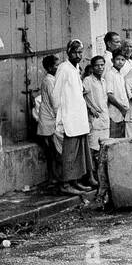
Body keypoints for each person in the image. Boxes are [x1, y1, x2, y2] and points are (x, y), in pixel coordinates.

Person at [53, 40, 94, 194]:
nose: (78, 55)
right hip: (69, 118)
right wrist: (60, 117)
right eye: (75, 52)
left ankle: (75, 181)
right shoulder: (63, 69)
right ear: (68, 52)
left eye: (80, 52)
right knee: (69, 153)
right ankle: (65, 185)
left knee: (79, 153)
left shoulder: (75, 68)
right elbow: (56, 95)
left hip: (79, 118)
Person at [83, 55, 111, 173]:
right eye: (97, 65)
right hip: (94, 120)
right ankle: (91, 176)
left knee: (103, 149)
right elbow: (80, 95)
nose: (100, 67)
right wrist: (90, 108)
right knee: (93, 149)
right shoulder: (88, 80)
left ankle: (101, 176)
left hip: (105, 119)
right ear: (92, 67)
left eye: (102, 65)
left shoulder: (104, 80)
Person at [35, 53, 60, 182]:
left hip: (50, 118)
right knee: (51, 152)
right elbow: (54, 101)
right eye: (57, 65)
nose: (59, 67)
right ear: (50, 68)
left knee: (54, 151)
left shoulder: (53, 79)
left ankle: (55, 177)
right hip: (48, 119)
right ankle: (52, 177)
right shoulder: (49, 81)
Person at [104, 51, 129, 140]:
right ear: (112, 60)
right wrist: (121, 108)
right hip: (114, 112)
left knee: (122, 140)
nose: (120, 62)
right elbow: (109, 95)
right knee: (113, 140)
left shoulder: (121, 75)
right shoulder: (109, 74)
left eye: (123, 60)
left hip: (123, 113)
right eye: (118, 59)